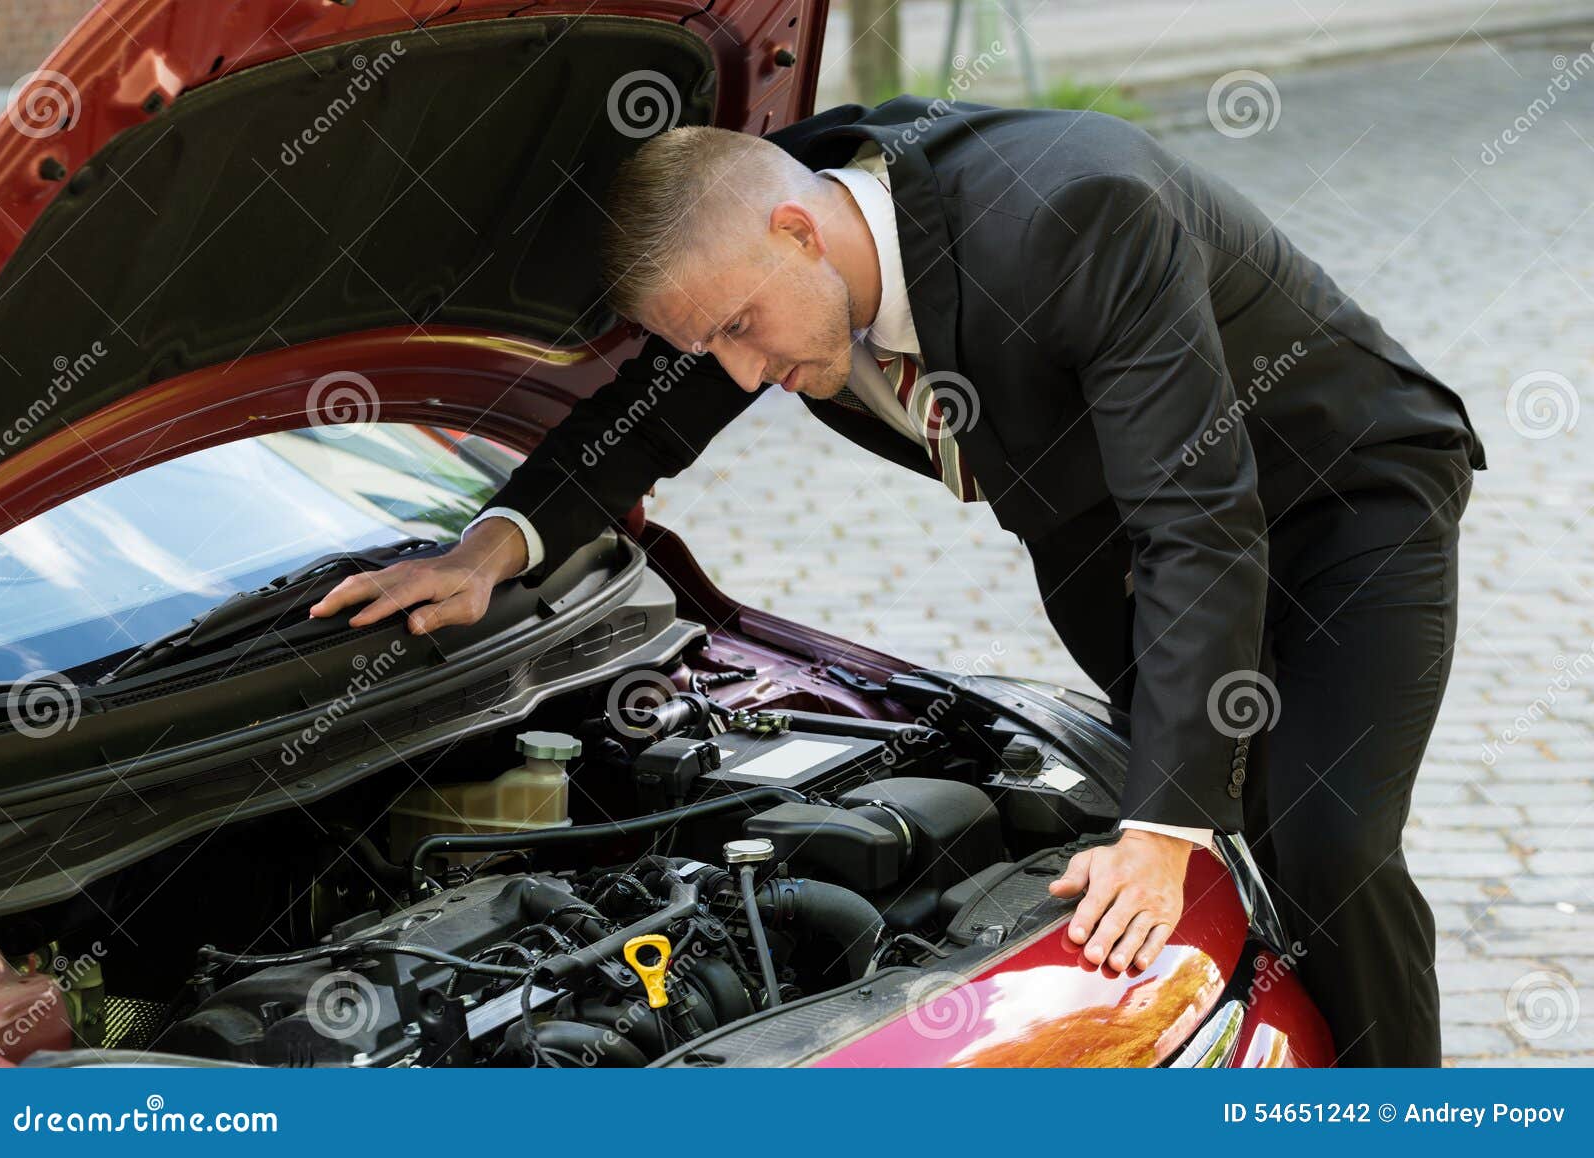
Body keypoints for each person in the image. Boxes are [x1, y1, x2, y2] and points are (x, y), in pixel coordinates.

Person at [311, 97, 1485, 1065]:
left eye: (737, 329)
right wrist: (489, 549)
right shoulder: (777, 259)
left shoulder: (1074, 212)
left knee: (1325, 842)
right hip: (1110, 538)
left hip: (1340, 496)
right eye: (709, 345)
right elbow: (643, 418)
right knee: (1237, 821)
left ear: (798, 230)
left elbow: (1199, 516)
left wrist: (1168, 818)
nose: (741, 373)